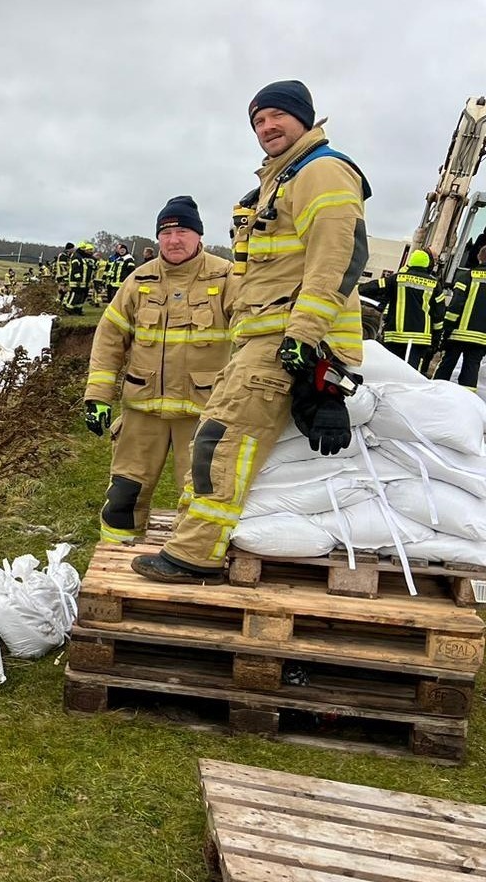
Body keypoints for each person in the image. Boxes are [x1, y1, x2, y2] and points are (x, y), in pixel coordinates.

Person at [134, 80, 369, 583]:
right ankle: (193, 540)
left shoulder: (321, 171)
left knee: (222, 441)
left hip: (287, 341)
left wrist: (304, 339)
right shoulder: (278, 182)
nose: (267, 128)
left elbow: (338, 259)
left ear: (304, 118)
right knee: (214, 435)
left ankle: (195, 555)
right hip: (264, 341)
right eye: (258, 121)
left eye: (276, 117)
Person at [85, 197, 234, 543]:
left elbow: (252, 331)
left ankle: (189, 571)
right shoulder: (139, 281)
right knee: (123, 497)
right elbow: (109, 339)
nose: (173, 240)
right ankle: (116, 564)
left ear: (199, 235)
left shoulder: (226, 277)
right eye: (165, 232)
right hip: (142, 413)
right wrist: (97, 396)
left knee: (201, 500)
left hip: (201, 415)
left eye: (182, 230)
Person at [361, 249, 443, 369]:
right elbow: (439, 314)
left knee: (388, 369)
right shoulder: (435, 284)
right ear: (428, 264)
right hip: (419, 338)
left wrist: (354, 288)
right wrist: (436, 339)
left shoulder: (397, 278)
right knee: (409, 373)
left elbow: (375, 286)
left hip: (395, 335)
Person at [435, 244, 486, 390]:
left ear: (479, 258)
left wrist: (447, 329)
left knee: (447, 364)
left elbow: (456, 305)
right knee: (471, 369)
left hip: (458, 334)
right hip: (482, 338)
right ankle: (467, 401)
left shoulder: (467, 277)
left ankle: (437, 392)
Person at [64, 242, 96, 313]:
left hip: (83, 281)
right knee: (75, 294)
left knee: (81, 295)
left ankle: (77, 309)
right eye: (84, 249)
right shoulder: (76, 256)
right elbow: (75, 268)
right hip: (76, 281)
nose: (86, 250)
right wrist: (78, 277)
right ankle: (68, 308)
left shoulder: (80, 256)